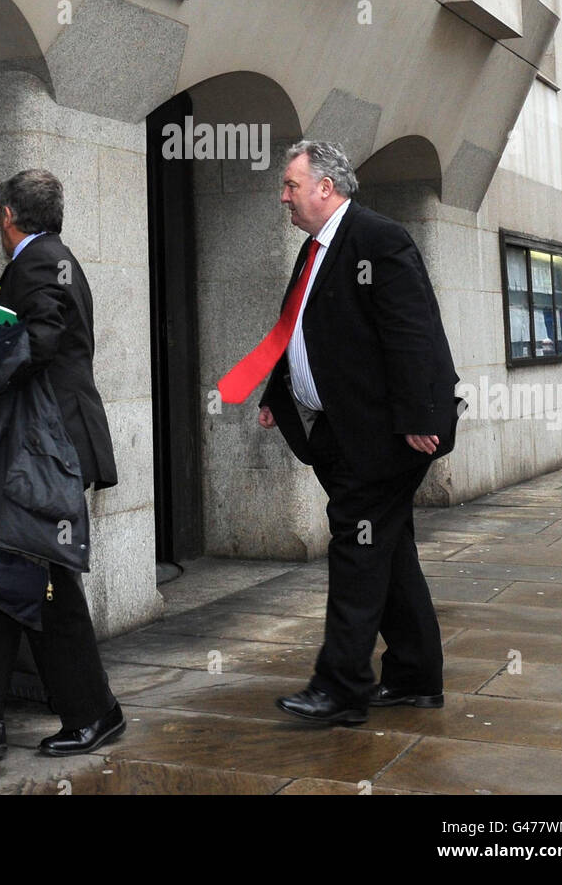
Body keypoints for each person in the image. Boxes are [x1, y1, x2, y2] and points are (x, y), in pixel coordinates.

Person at [218, 141, 462, 725]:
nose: (284, 196)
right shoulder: (314, 249)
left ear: (326, 187)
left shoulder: (379, 239)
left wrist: (421, 418)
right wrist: (282, 392)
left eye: (291, 185)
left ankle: (341, 686)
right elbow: (298, 328)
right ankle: (416, 675)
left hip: (382, 437)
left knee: (357, 547)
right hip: (338, 430)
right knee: (388, 550)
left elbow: (414, 333)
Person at [0, 169, 124, 759]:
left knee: (43, 574)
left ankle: (95, 712)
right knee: (2, 567)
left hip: (46, 447)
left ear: (8, 215)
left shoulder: (40, 262)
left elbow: (41, 333)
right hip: (39, 445)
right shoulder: (51, 259)